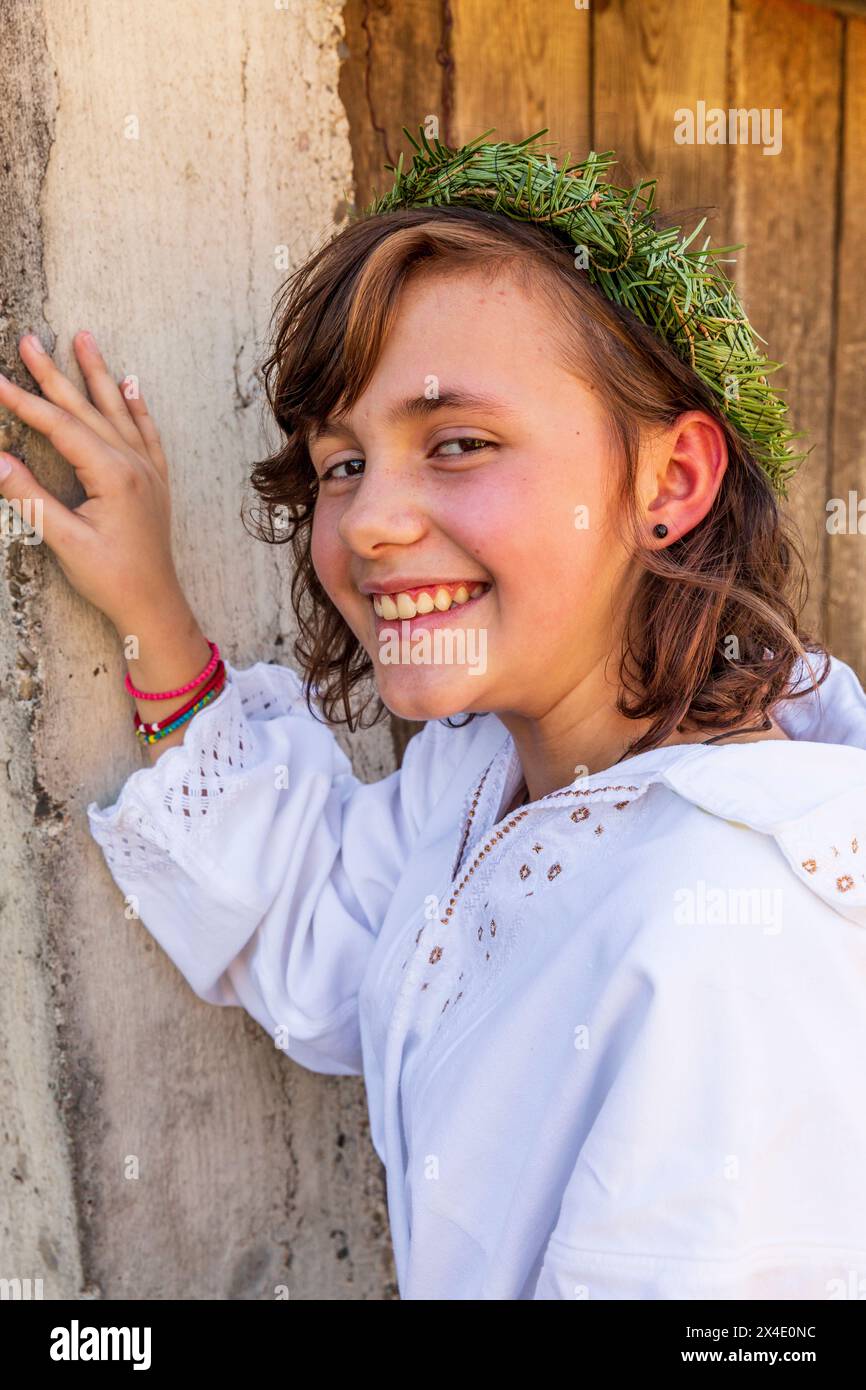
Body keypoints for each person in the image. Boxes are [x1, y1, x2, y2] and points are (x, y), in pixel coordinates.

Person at [1, 132, 865, 1300]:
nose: (365, 523)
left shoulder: (726, 945)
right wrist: (154, 612)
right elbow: (328, 939)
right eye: (342, 462)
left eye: (457, 444)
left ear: (667, 484)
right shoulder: (483, 780)